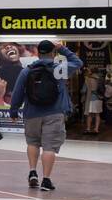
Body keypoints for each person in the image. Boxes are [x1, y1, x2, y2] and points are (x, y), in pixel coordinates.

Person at [9, 39, 82, 192]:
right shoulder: (60, 69)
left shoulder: (27, 70)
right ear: (53, 52)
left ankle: (32, 172)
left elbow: (17, 92)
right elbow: (78, 62)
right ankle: (46, 180)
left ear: (38, 52)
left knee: (33, 143)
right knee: (49, 147)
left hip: (32, 113)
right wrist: (62, 48)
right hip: (54, 113)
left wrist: (14, 110)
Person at [82, 71, 103, 135]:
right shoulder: (99, 80)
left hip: (90, 99)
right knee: (97, 114)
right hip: (99, 98)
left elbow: (83, 90)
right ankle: (96, 129)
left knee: (89, 115)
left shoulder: (87, 80)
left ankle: (88, 128)